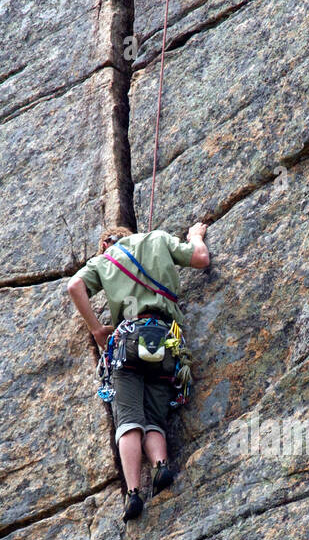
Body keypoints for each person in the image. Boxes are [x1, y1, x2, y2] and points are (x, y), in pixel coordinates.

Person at [67, 220, 211, 521]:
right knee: (154, 417)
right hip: (166, 338)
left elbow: (74, 286)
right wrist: (196, 236)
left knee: (130, 418)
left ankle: (133, 493)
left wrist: (97, 330)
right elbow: (200, 259)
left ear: (106, 244)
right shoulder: (158, 238)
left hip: (128, 340)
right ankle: (160, 465)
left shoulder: (103, 261)